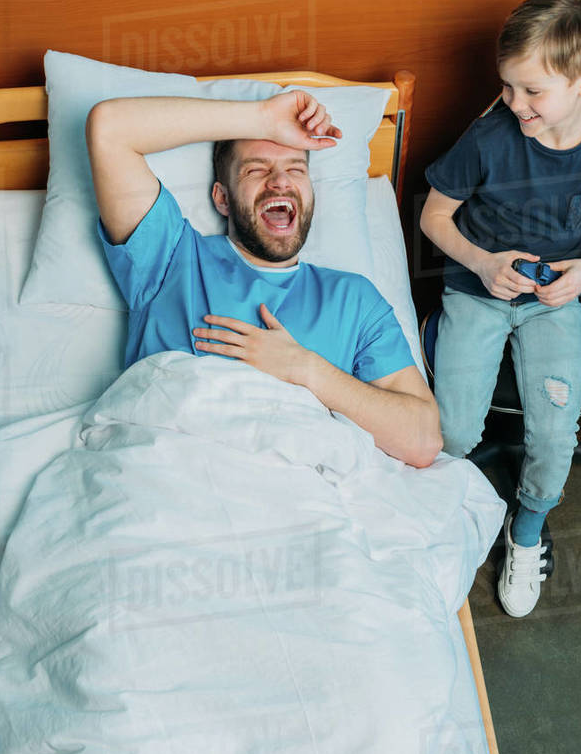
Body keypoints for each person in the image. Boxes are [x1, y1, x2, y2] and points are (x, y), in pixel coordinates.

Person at [420, 0, 581, 615]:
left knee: (555, 434)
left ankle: (525, 532)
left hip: (555, 298)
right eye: (508, 86)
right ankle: (447, 521)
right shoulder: (491, 136)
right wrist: (484, 264)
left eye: (532, 91)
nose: (514, 103)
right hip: (479, 287)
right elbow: (435, 216)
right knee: (455, 432)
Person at [85, 89, 442, 469]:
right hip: (175, 471)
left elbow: (422, 441)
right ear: (221, 198)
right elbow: (110, 129)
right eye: (256, 170)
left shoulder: (354, 299)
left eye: (295, 169)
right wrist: (264, 119)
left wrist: (304, 369)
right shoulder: (173, 257)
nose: (279, 182)